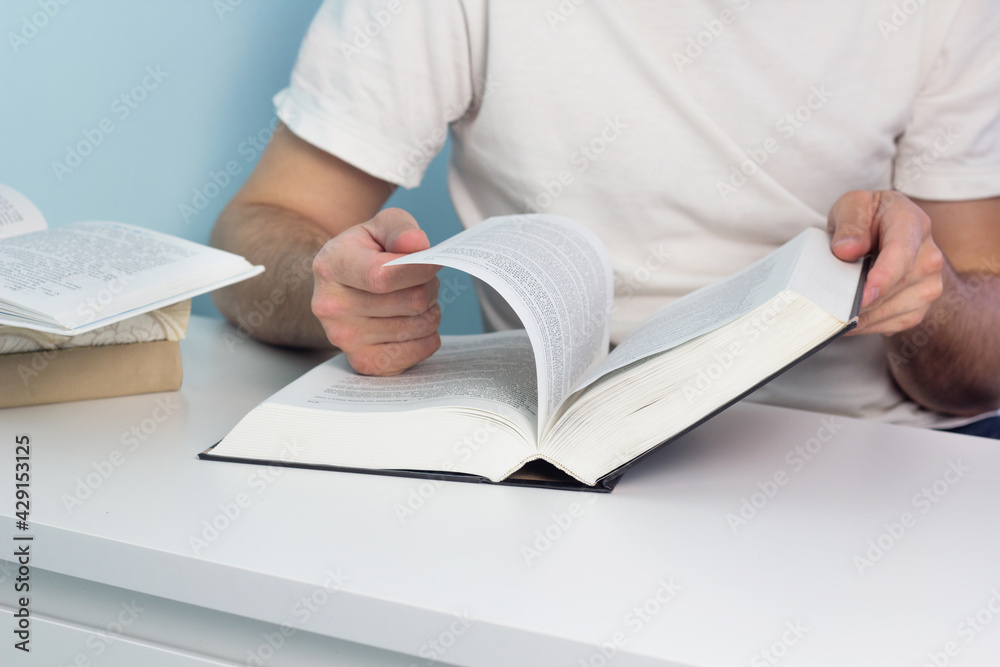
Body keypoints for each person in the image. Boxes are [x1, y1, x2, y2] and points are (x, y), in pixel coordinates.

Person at [210, 0, 1000, 434]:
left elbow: (979, 366)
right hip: (558, 449)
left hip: (855, 459)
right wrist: (335, 293)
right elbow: (262, 224)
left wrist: (929, 300)